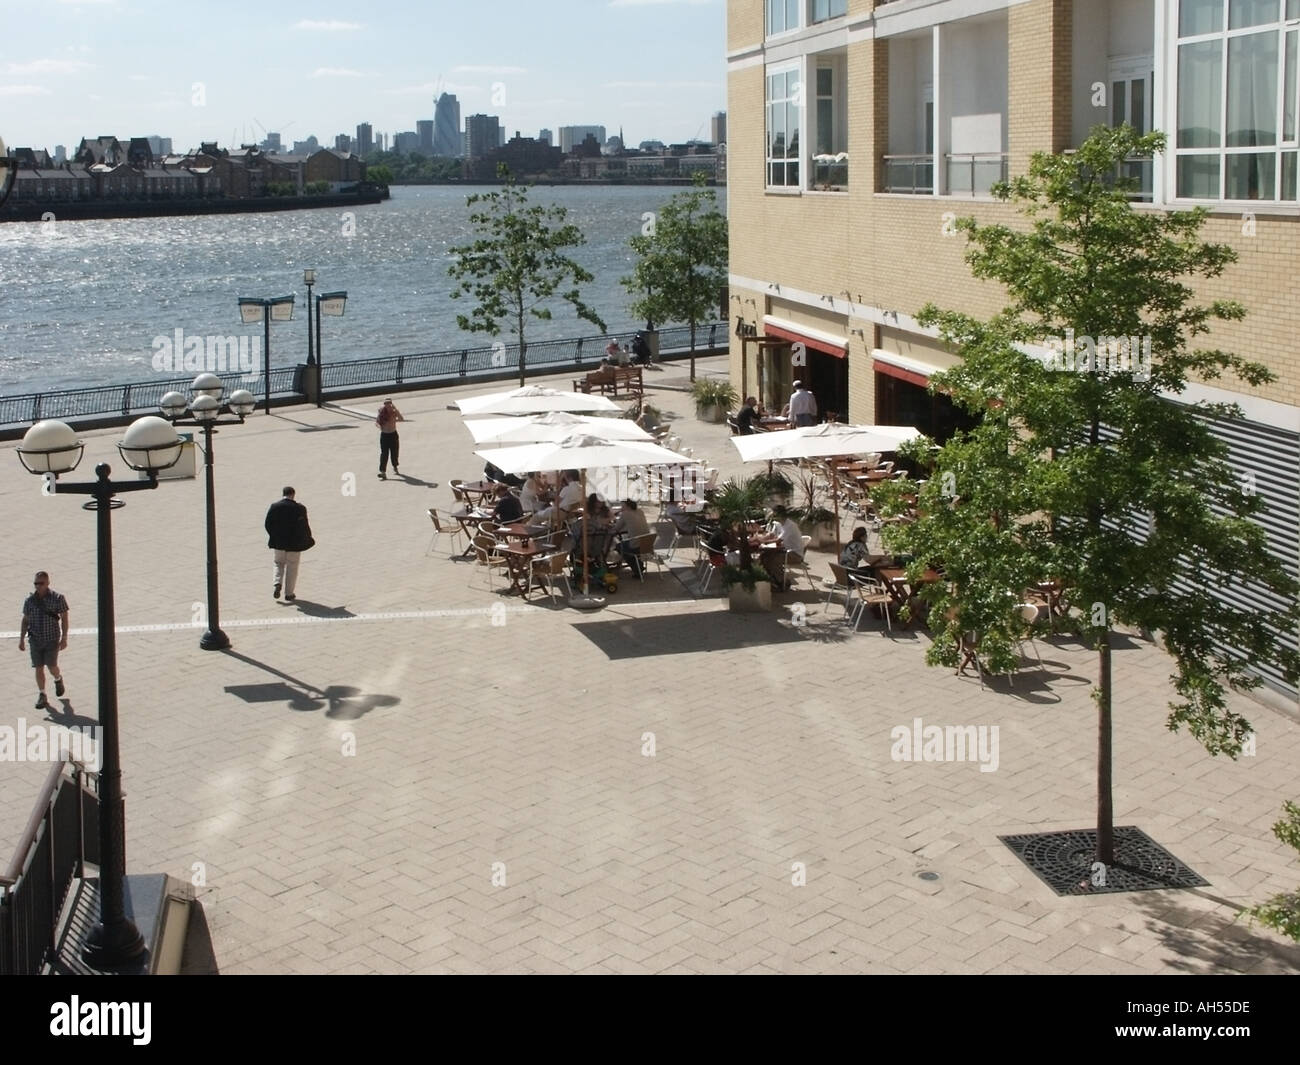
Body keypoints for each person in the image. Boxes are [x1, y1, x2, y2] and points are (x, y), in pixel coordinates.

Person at [18, 570, 68, 710]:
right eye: (36, 583)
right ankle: (42, 694)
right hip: (35, 639)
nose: (38, 586)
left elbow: (64, 618)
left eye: (41, 583)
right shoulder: (29, 601)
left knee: (52, 667)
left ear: (48, 583)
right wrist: (21, 639)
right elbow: (25, 620)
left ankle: (58, 678)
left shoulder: (58, 598)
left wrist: (64, 638)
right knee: (38, 667)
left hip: (52, 639)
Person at [265, 486, 313, 601]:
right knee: (292, 567)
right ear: (293, 494)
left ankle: (277, 583)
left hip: (279, 543)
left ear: (283, 494)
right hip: (294, 545)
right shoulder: (300, 508)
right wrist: (307, 539)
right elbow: (305, 526)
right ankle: (289, 594)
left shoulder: (275, 506)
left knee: (278, 563)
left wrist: (273, 536)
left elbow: (267, 524)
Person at [763, 505, 805, 587]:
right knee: (765, 557)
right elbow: (772, 534)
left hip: (795, 554)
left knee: (773, 560)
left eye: (774, 515)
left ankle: (783, 582)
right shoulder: (779, 524)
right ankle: (773, 579)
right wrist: (761, 538)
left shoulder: (790, 526)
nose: (772, 517)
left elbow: (778, 540)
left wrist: (762, 542)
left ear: (780, 515)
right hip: (785, 551)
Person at [376, 398, 405, 479]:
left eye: (389, 403)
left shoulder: (394, 412)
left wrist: (396, 410)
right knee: (384, 454)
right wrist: (380, 427)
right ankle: (382, 472)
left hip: (393, 434)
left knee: (394, 452)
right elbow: (377, 422)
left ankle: (395, 466)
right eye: (386, 403)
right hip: (384, 435)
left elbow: (401, 419)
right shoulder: (381, 412)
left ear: (391, 404)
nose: (388, 405)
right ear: (384, 404)